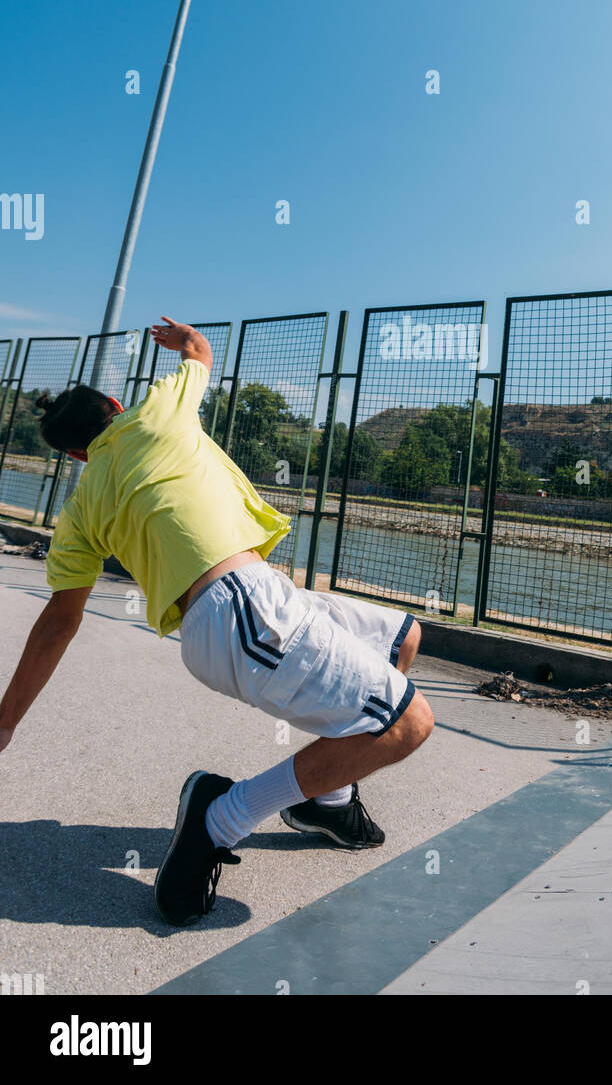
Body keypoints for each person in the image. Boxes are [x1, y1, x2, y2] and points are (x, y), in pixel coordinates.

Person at [0, 317, 434, 927]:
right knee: (409, 723)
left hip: (251, 606)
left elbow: (57, 624)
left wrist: (6, 721)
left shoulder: (78, 511)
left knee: (400, 637)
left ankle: (326, 802)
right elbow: (201, 350)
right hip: (244, 613)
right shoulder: (157, 410)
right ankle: (221, 816)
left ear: (74, 453)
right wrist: (182, 339)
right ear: (117, 408)